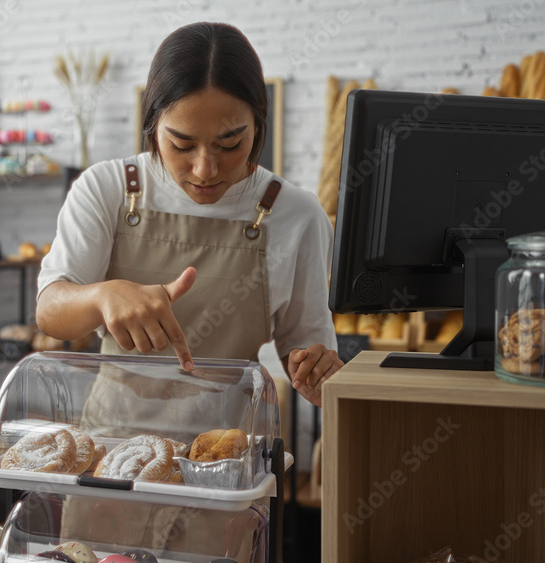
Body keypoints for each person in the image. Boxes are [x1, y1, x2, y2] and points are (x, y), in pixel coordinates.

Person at [37, 22, 342, 407]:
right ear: (152, 125)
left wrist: (313, 370)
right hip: (115, 447)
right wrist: (104, 295)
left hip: (233, 446)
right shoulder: (108, 188)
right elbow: (49, 313)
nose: (205, 170)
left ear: (259, 124)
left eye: (229, 144)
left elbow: (304, 344)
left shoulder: (297, 214)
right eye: (182, 144)